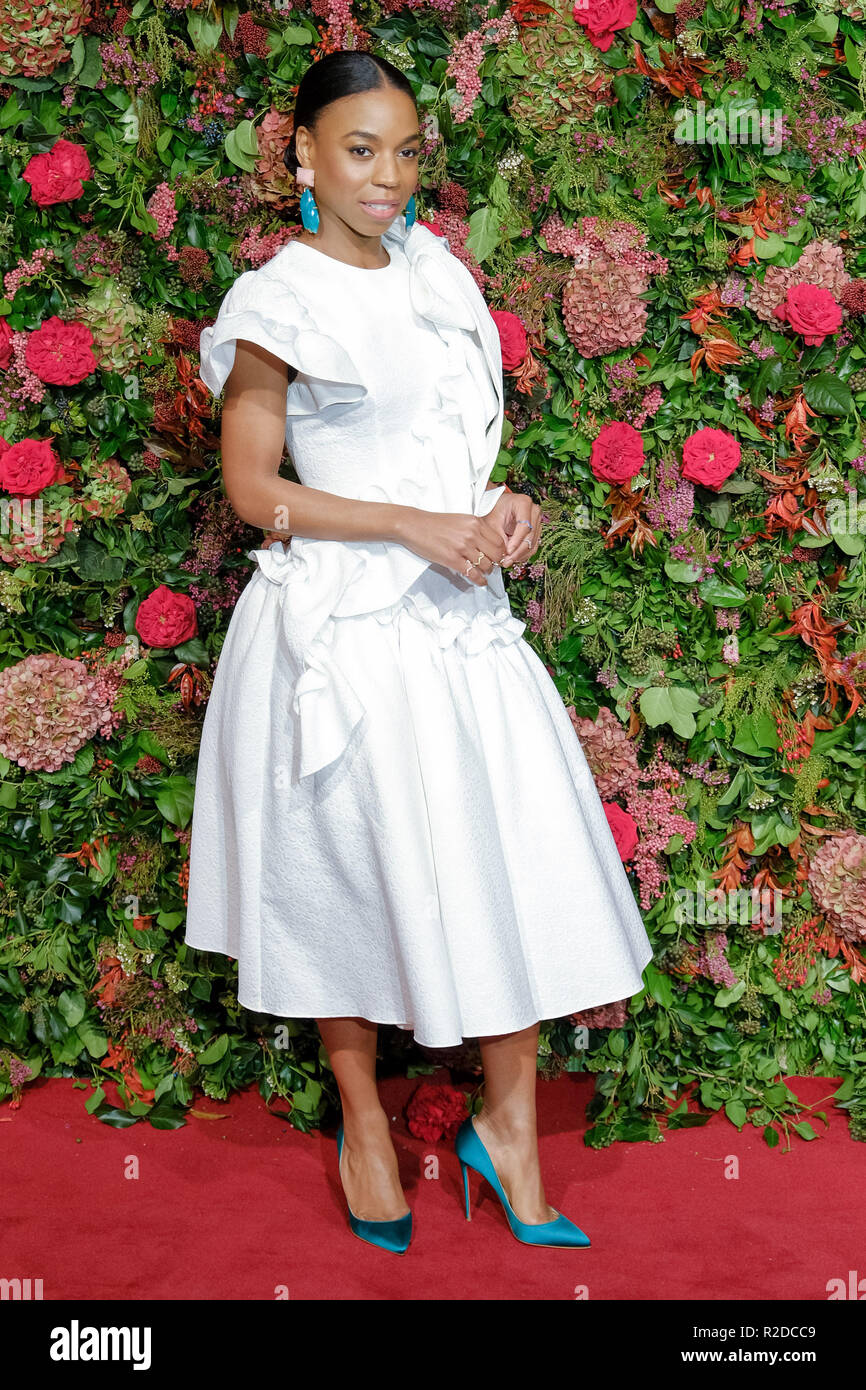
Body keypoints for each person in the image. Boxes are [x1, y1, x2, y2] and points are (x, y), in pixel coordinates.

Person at [184, 49, 653, 1254]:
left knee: (505, 863)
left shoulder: (437, 272)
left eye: (402, 151)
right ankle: (363, 1125)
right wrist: (405, 523)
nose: (386, 177)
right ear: (297, 154)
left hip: (458, 621)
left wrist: (502, 508)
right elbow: (250, 491)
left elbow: (447, 448)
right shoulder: (277, 300)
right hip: (338, 631)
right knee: (344, 879)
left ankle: (507, 1127)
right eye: (357, 150)